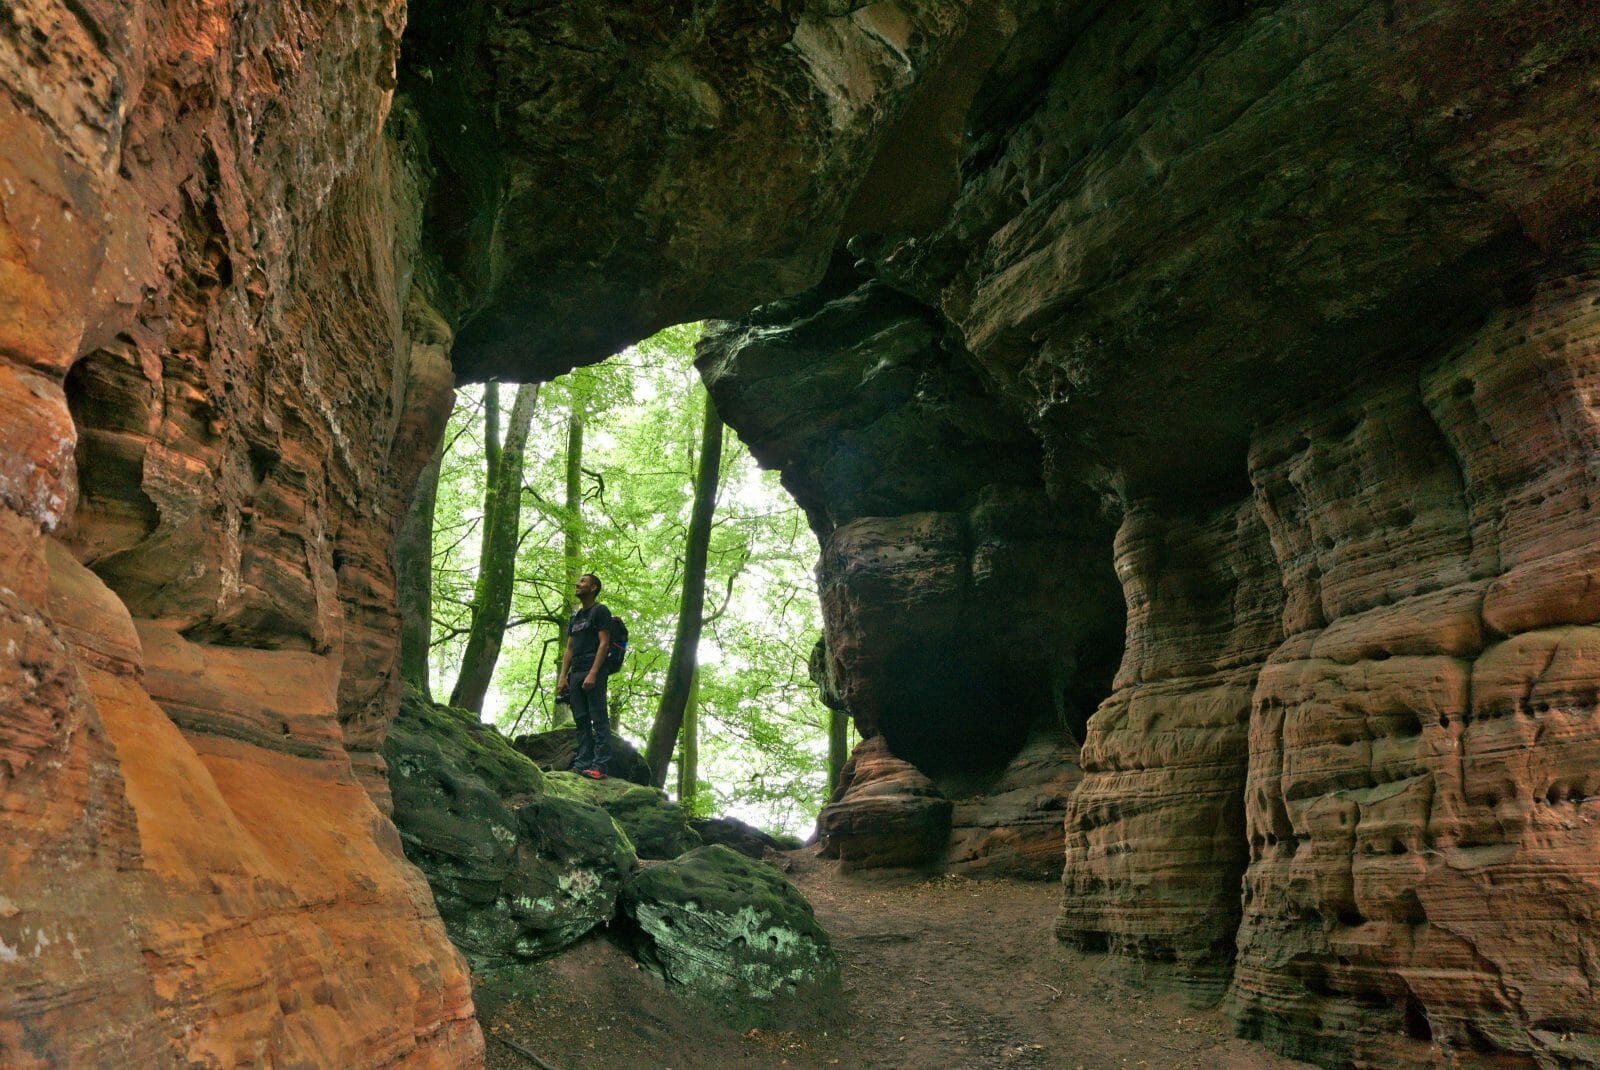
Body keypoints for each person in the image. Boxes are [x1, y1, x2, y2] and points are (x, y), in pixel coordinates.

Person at [556, 572, 613, 779]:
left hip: (593, 669)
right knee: (581, 719)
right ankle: (583, 763)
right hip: (576, 671)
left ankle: (600, 765)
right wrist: (563, 677)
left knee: (598, 717)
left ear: (593, 588)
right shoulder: (576, 617)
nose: (577, 584)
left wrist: (593, 673)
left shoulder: (601, 611)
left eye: (583, 582)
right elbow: (569, 649)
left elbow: (604, 643)